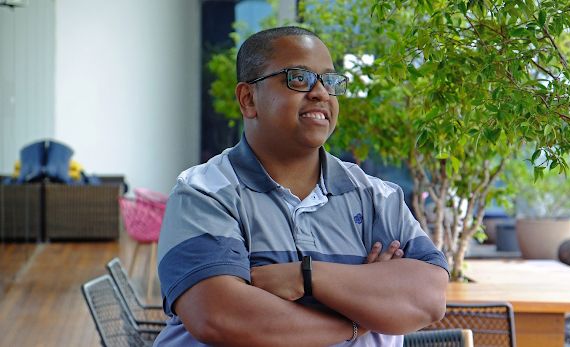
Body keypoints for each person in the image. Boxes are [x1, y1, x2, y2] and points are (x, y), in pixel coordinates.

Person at [154, 26, 449, 347]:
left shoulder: (378, 196)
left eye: (330, 81)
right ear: (248, 98)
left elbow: (428, 299)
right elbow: (220, 318)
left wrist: (304, 277)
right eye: (299, 78)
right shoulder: (205, 193)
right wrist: (360, 318)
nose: (321, 92)